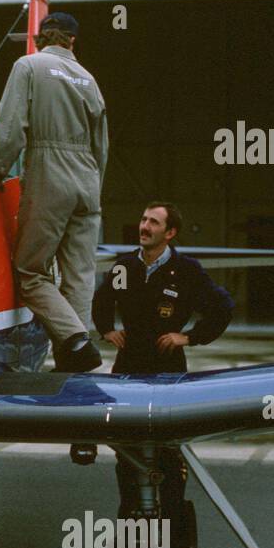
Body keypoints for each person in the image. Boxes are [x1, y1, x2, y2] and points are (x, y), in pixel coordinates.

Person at [0, 12, 109, 372]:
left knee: (31, 271)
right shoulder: (89, 79)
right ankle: (74, 358)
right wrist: (93, 189)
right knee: (79, 273)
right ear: (73, 41)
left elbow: (10, 130)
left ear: (41, 38)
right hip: (89, 180)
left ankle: (75, 340)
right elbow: (102, 146)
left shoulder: (28, 66)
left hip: (50, 172)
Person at [91, 201, 234, 516]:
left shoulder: (186, 271)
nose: (145, 227)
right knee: (127, 448)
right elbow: (102, 299)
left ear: (170, 233)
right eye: (143, 220)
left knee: (168, 448)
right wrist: (106, 330)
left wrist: (190, 337)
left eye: (154, 222)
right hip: (128, 368)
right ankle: (130, 514)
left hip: (168, 369)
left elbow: (222, 307)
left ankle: (171, 517)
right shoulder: (124, 266)